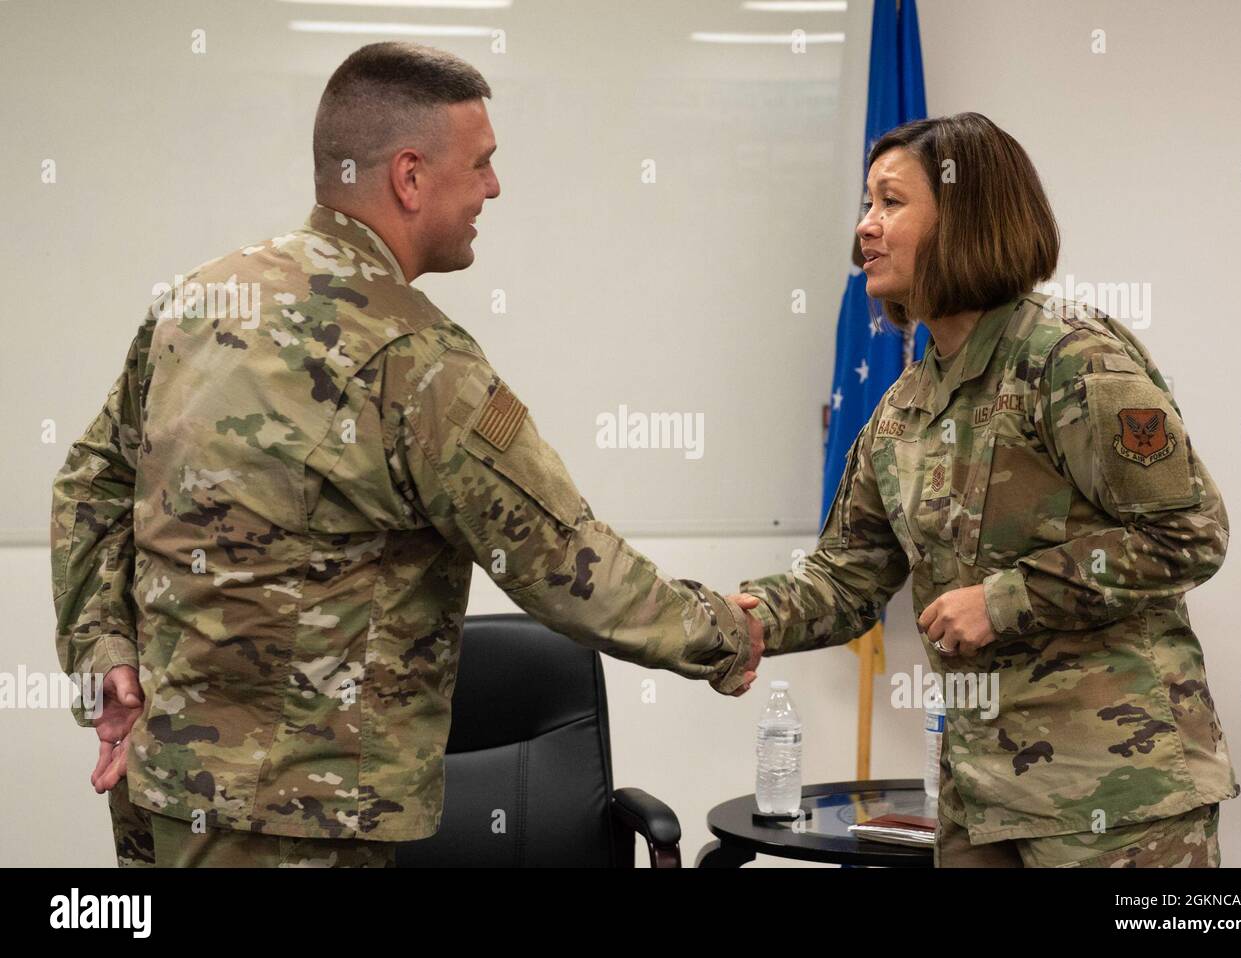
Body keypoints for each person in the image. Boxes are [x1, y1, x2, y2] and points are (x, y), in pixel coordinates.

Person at [49, 42, 763, 868]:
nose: (494, 188)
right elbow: (567, 565)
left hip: (165, 796)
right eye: (483, 164)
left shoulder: (201, 301)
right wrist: (727, 635)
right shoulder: (415, 359)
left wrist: (104, 654)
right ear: (411, 177)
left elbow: (90, 483)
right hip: (300, 825)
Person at [733, 112, 1237, 868]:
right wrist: (738, 620)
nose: (865, 229)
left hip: (1116, 801)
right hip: (979, 798)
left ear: (964, 217)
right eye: (866, 205)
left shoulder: (1071, 359)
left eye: (891, 203)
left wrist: (1004, 600)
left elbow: (1189, 533)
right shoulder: (903, 407)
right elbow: (847, 578)